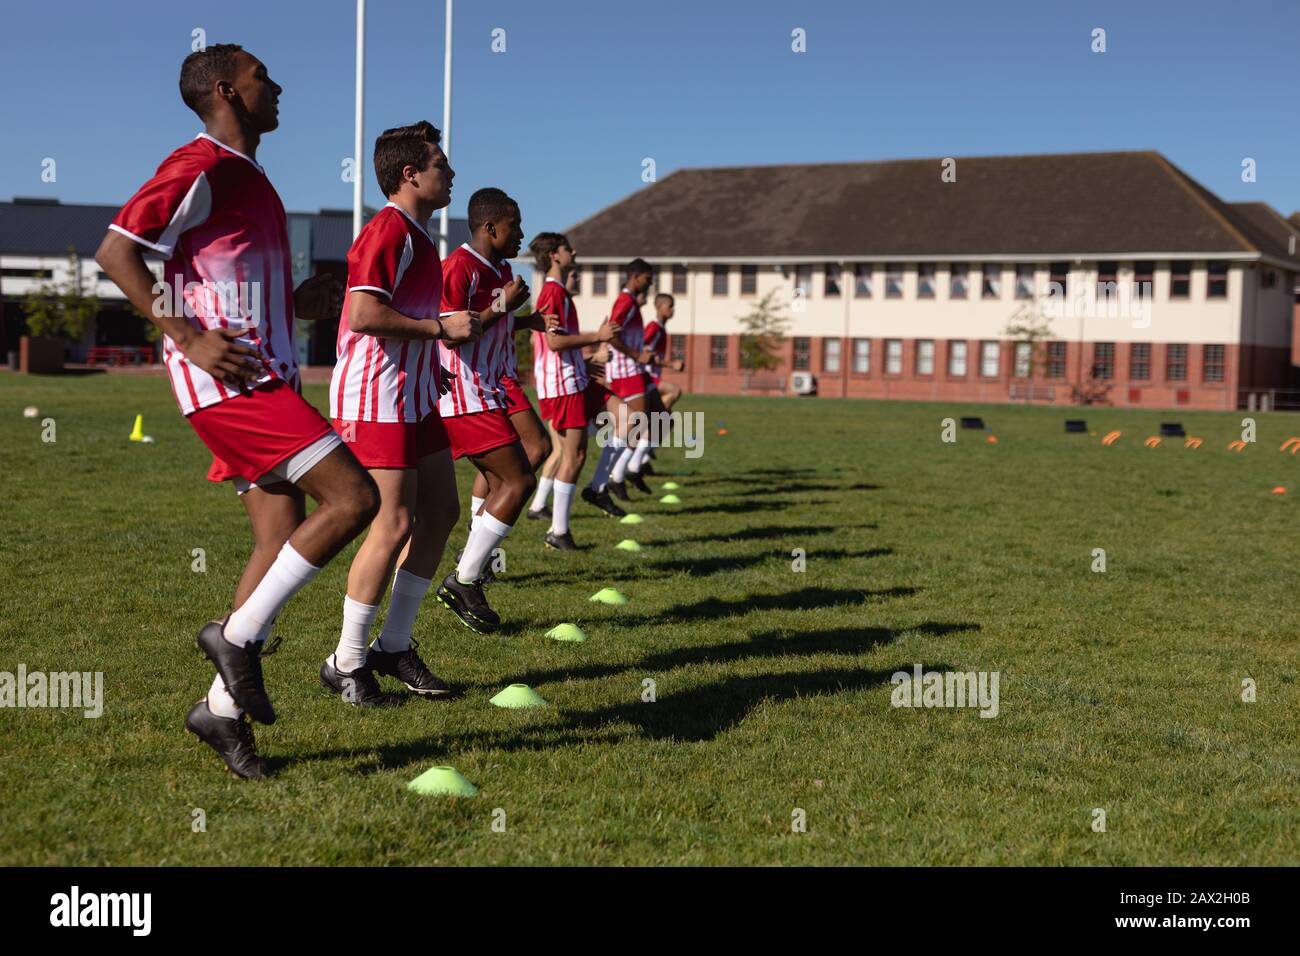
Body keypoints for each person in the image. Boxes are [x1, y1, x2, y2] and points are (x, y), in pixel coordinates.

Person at [95, 44, 379, 778]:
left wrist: (292, 305)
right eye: (262, 78)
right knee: (356, 497)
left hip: (260, 376)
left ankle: (219, 714)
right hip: (232, 383)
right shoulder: (202, 162)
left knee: (278, 534)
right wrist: (188, 337)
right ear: (226, 89)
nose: (277, 86)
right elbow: (118, 251)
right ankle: (234, 638)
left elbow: (219, 279)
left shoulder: (248, 174)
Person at [324, 120, 480, 705]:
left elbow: (396, 322)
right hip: (375, 399)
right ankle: (347, 661)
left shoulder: (418, 235)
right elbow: (363, 315)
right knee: (391, 524)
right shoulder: (388, 230)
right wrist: (437, 329)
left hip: (413, 397)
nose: (451, 173)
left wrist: (427, 355)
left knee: (441, 511)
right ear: (410, 174)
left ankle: (394, 645)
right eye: (441, 163)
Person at [434, 188, 551, 632]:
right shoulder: (459, 267)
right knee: (518, 479)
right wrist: (504, 304)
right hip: (464, 390)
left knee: (532, 454)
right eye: (514, 225)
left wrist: (520, 318)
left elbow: (490, 321)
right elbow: (448, 333)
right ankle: (465, 575)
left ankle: (472, 560)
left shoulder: (500, 269)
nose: (520, 233)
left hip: (493, 384)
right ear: (490, 227)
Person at [523, 232, 614, 548]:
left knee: (624, 419)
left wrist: (584, 363)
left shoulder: (558, 292)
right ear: (554, 256)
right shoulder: (552, 292)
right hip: (562, 386)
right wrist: (596, 336)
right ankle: (558, 531)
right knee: (572, 455)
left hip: (572, 380)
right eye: (566, 248)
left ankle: (566, 516)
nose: (573, 251)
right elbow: (554, 341)